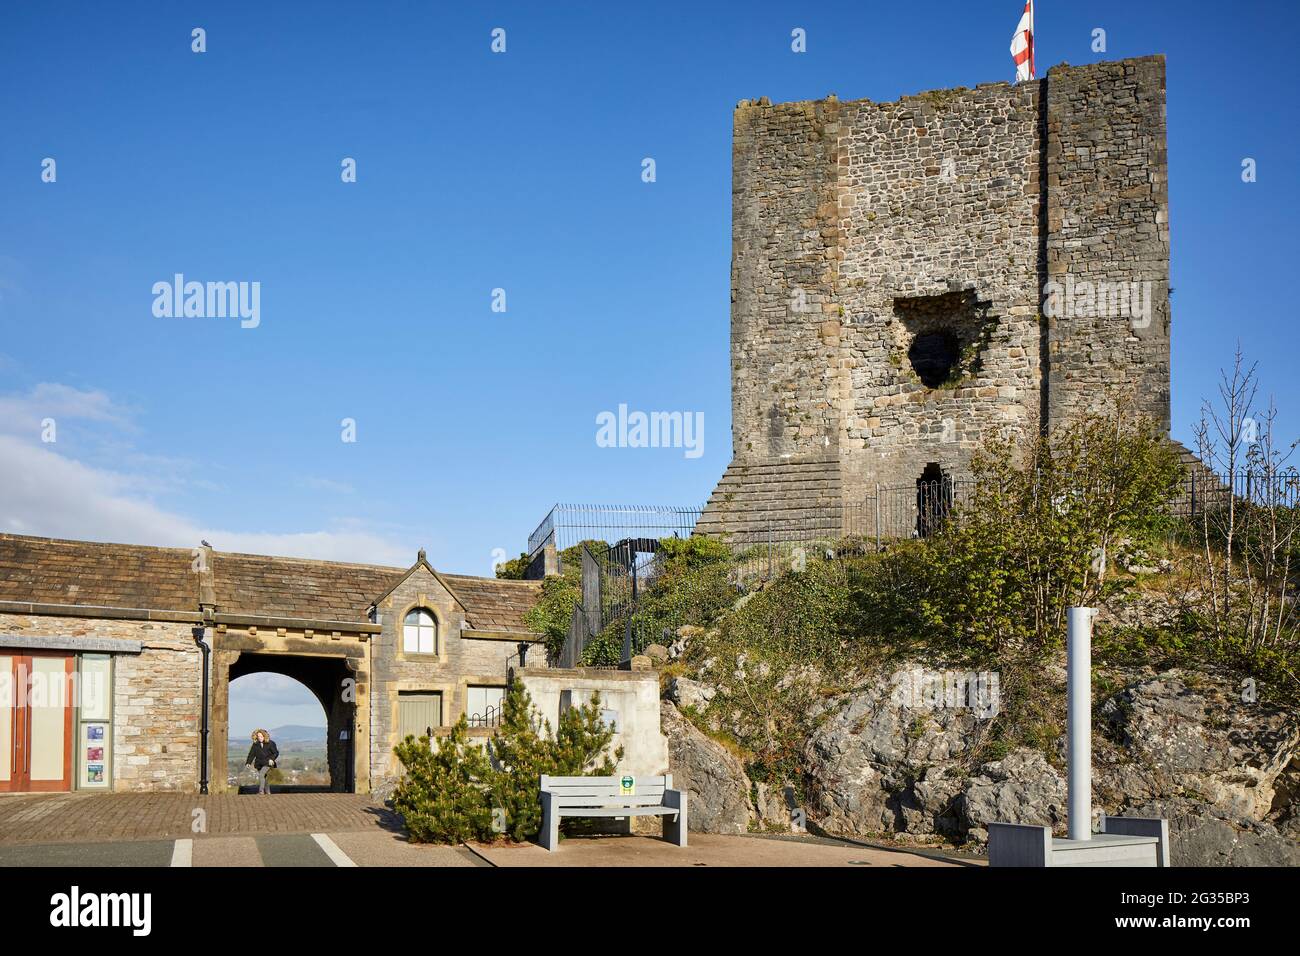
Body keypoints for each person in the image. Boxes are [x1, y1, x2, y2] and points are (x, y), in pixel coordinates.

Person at [245, 729, 279, 795]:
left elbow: (276, 753)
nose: (260, 738)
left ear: (264, 736)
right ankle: (268, 792)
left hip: (268, 763)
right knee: (264, 777)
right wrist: (248, 762)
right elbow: (251, 754)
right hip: (259, 764)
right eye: (258, 736)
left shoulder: (271, 743)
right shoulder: (255, 744)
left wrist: (272, 759)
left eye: (261, 736)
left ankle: (261, 791)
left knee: (261, 774)